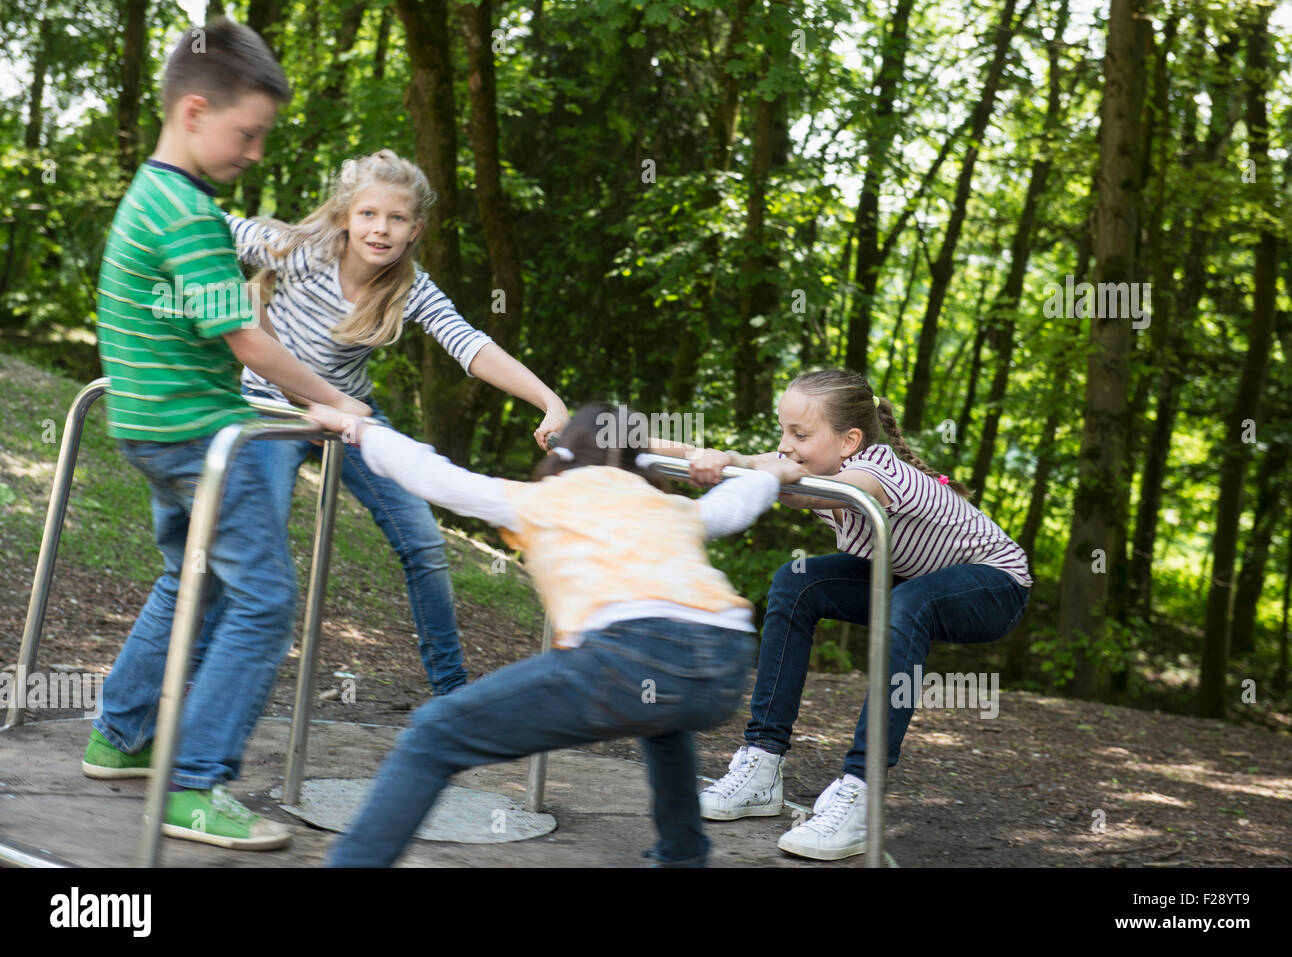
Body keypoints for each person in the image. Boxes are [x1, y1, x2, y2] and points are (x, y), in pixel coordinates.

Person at [83, 19, 375, 850]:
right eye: (247, 134)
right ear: (197, 110)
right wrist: (333, 402)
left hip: (149, 428)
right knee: (265, 599)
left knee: (193, 580)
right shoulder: (187, 214)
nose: (254, 152)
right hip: (203, 434)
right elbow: (245, 340)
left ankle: (121, 735)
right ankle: (195, 782)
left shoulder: (153, 196)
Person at [306, 402, 808, 866]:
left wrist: (362, 429)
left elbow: (434, 476)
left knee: (434, 734)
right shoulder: (663, 506)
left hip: (627, 657)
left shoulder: (547, 499)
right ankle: (682, 854)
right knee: (661, 716)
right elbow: (733, 505)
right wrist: (777, 471)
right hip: (723, 657)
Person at [223, 149, 568, 695]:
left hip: (352, 415)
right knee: (256, 549)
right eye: (368, 214)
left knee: (425, 545)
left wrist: (548, 400)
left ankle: (452, 695)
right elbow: (209, 227)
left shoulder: (410, 287)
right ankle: (209, 682)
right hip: (272, 410)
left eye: (396, 218)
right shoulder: (297, 250)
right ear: (344, 216)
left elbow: (470, 345)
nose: (380, 229)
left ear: (415, 229)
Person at [676, 368, 1032, 860]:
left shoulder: (875, 474)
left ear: (850, 441)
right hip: (911, 575)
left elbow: (805, 491)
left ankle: (861, 792)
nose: (786, 444)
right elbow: (752, 463)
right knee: (797, 582)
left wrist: (765, 472)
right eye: (782, 430)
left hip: (996, 585)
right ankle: (761, 763)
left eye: (799, 434)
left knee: (913, 604)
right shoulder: (816, 460)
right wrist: (711, 457)